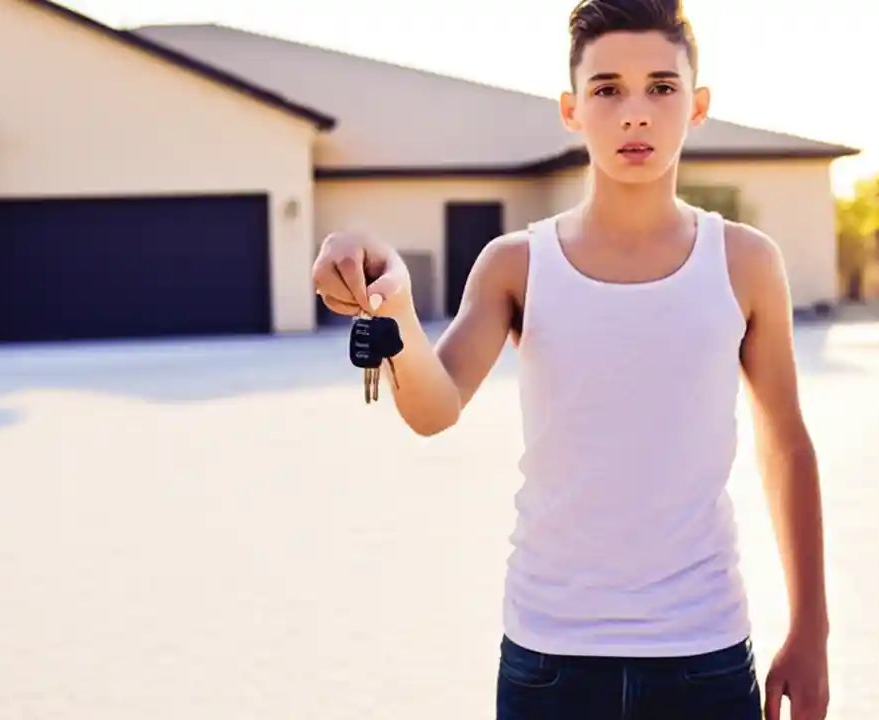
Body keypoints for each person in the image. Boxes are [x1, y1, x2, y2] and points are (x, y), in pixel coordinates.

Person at [311, 0, 829, 717]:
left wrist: (811, 629)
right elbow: (433, 409)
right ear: (571, 110)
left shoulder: (744, 262)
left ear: (697, 105)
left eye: (662, 87)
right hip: (549, 658)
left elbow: (785, 445)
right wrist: (391, 301)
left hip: (702, 656)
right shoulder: (516, 265)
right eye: (608, 89)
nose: (636, 113)